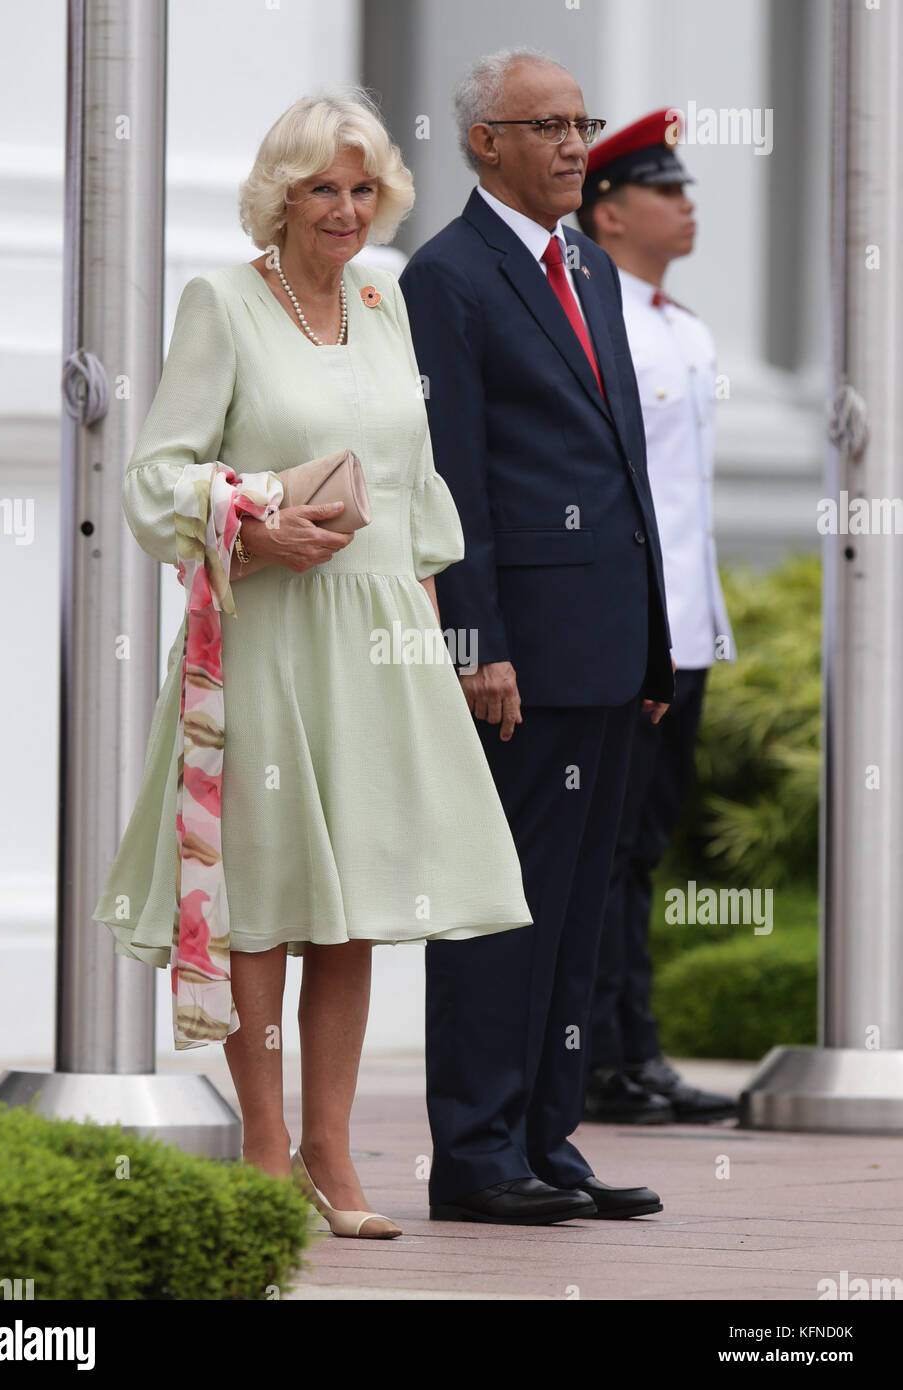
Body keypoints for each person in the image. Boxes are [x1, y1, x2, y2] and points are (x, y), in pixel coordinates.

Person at [92, 89, 533, 1240]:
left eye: (360, 189)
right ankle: (266, 1149)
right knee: (267, 905)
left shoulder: (385, 298)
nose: (344, 210)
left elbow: (416, 494)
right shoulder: (223, 302)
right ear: (279, 197)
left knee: (357, 913)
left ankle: (334, 1157)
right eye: (320, 189)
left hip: (382, 640)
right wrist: (252, 519)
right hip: (271, 635)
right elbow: (153, 479)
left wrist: (438, 650)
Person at [400, 49, 674, 1225]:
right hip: (517, 655)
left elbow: (621, 468)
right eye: (546, 126)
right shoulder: (447, 278)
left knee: (573, 912)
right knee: (497, 907)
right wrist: (476, 644)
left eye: (579, 123)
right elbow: (447, 473)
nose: (573, 145)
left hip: (608, 646)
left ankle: (546, 1140)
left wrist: (655, 643)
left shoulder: (591, 270)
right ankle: (473, 1152)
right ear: (484, 144)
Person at [577, 109, 738, 1124]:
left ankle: (635, 1049)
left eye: (684, 189)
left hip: (684, 628)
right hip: (629, 634)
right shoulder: (601, 321)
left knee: (641, 847)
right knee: (602, 849)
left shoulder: (683, 326)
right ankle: (595, 1058)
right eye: (663, 190)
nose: (685, 206)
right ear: (607, 210)